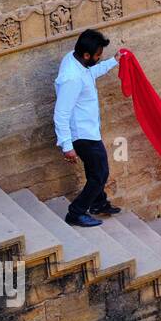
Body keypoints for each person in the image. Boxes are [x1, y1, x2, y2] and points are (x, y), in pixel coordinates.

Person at [53, 29, 122, 227]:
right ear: (86, 55)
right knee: (100, 173)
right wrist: (67, 146)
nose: (100, 57)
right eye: (98, 55)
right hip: (83, 135)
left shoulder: (75, 60)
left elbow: (90, 73)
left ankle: (98, 203)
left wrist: (113, 61)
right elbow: (61, 113)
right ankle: (76, 213)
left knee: (94, 171)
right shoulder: (72, 78)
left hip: (89, 129)